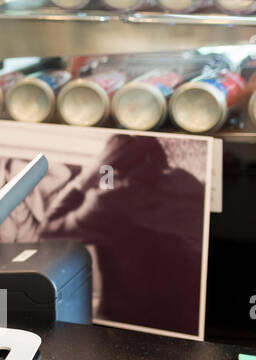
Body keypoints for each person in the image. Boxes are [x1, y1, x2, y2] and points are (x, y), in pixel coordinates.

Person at [41, 134, 205, 335]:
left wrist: (83, 181)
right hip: (185, 320)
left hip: (127, 322)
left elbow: (48, 230)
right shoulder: (188, 183)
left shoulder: (108, 204)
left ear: (111, 164)